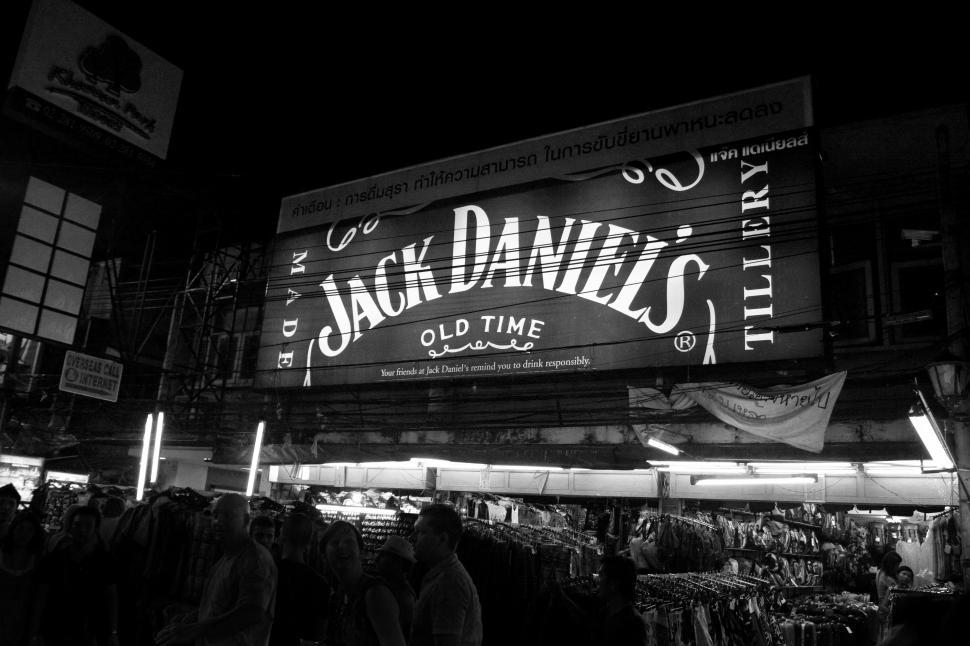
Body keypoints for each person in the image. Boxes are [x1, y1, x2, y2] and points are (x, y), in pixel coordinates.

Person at [155, 493, 278, 646]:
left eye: (227, 516)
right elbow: (221, 608)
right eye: (215, 515)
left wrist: (197, 628)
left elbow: (252, 612)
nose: (218, 522)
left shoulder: (255, 559)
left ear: (246, 520)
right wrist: (192, 617)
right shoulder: (226, 558)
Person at [30, 505, 119, 646]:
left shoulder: (105, 561)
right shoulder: (55, 559)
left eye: (88, 526)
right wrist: (34, 632)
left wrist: (112, 632)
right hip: (56, 628)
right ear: (70, 526)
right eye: (77, 525)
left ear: (95, 529)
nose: (82, 530)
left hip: (90, 629)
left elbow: (111, 597)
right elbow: (42, 596)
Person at [321, 520, 405, 646]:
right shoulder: (339, 594)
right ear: (324, 554)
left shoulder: (375, 595)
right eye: (335, 542)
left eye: (349, 541)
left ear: (361, 551)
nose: (342, 546)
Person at [411, 503, 482, 646]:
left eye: (421, 532)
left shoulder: (449, 583)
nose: (413, 537)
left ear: (443, 539)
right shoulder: (442, 575)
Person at [269, 513, 329, 646]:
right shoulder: (319, 583)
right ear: (309, 541)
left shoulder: (269, 573)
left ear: (281, 536)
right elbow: (319, 633)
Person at [0, 510, 46, 646]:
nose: (24, 534)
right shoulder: (1, 555)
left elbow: (40, 600)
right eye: (20, 528)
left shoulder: (39, 562)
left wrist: (34, 632)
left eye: (29, 530)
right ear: (13, 529)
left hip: (22, 623)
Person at [597, 556, 647, 646]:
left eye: (601, 576)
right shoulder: (604, 613)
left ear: (613, 584)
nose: (597, 581)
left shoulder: (632, 625)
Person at [375, 534, 417, 641]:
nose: (377, 559)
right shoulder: (400, 592)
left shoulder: (403, 597)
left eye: (383, 555)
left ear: (397, 562)